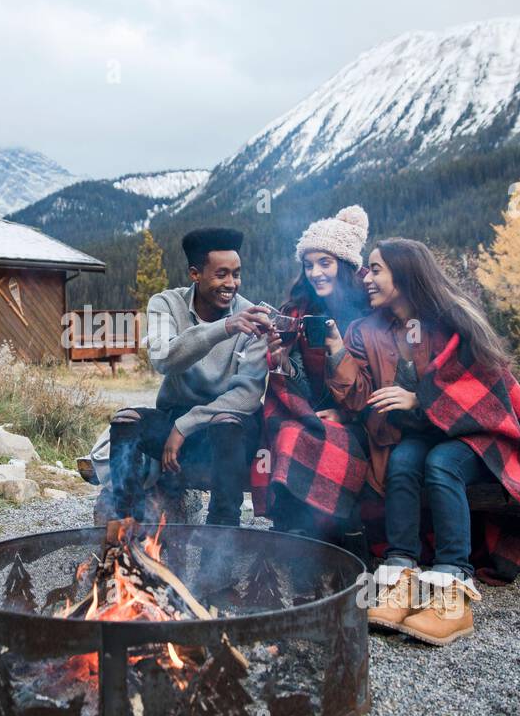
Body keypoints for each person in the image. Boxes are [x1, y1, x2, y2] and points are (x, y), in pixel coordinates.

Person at [324, 237, 520, 645]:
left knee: (441, 463)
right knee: (404, 461)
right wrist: (338, 354)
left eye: (375, 269)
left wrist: (418, 399)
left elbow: (484, 393)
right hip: (422, 435)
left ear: (404, 275)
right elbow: (360, 399)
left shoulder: (454, 319)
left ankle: (451, 592)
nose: (365, 278)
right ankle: (400, 577)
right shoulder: (368, 330)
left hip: (480, 437)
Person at [99, 227, 269, 532]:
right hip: (178, 424)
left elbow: (247, 396)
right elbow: (164, 358)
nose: (231, 283)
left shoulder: (253, 315)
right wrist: (224, 328)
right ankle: (126, 527)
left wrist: (185, 425)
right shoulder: (166, 304)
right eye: (221, 274)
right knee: (125, 422)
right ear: (195, 274)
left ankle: (221, 536)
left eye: (236, 274)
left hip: (231, 431)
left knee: (227, 424)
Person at [259, 207, 372, 559]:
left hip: (362, 418)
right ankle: (296, 537)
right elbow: (296, 389)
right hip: (309, 411)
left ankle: (341, 538)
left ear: (345, 263)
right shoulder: (298, 311)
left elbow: (379, 381)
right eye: (309, 265)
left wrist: (346, 415)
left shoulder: (372, 309)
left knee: (307, 438)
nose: (316, 273)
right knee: (291, 433)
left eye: (325, 262)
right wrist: (281, 361)